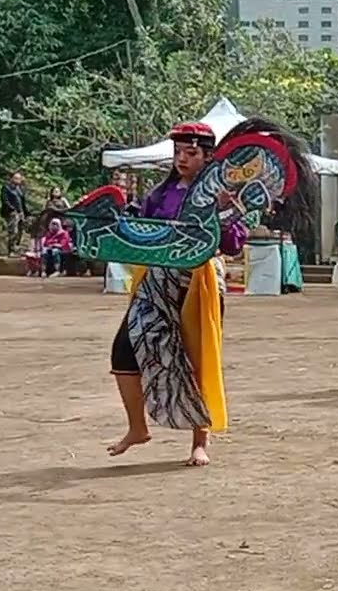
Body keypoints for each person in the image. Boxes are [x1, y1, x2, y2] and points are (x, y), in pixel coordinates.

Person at [107, 120, 290, 466]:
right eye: (178, 152)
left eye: (190, 153)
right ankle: (137, 427)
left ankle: (199, 442)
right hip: (155, 278)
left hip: (199, 281)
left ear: (208, 157)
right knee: (124, 350)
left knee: (197, 355)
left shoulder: (226, 198)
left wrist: (224, 213)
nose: (182, 159)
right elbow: (143, 231)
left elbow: (233, 244)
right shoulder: (160, 195)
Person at [0, 172, 29, 255]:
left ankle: (17, 248)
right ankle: (11, 249)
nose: (17, 180)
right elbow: (5, 200)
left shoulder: (20, 189)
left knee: (20, 231)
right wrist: (12, 209)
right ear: (11, 178)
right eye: (16, 178)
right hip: (12, 213)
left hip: (21, 212)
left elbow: (22, 202)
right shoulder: (6, 187)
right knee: (13, 231)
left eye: (19, 178)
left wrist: (26, 212)